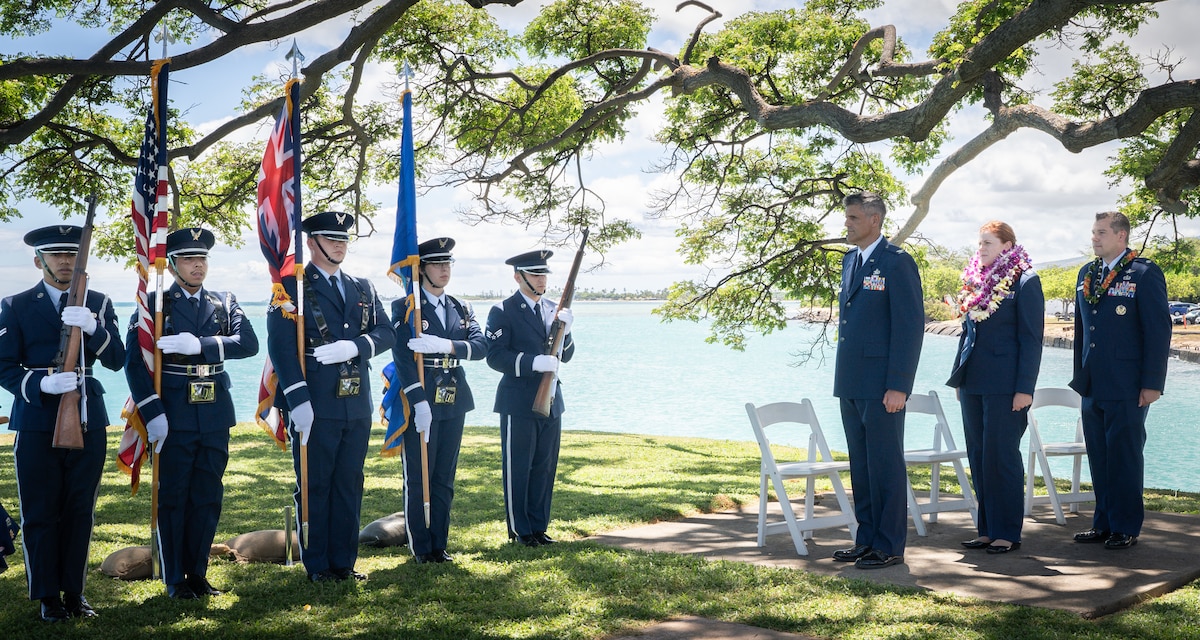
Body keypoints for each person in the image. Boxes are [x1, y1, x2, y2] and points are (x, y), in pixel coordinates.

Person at [124, 227, 260, 598]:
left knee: (207, 494)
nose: (197, 265)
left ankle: (197, 572)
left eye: (202, 258)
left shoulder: (224, 301)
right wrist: (152, 412)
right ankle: (174, 578)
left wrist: (200, 344)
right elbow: (135, 364)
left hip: (214, 412)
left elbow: (248, 343)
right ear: (172, 265)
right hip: (173, 412)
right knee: (173, 496)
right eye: (188, 259)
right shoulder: (154, 304)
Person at [0, 225, 125, 621]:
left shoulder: (98, 302)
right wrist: (40, 384)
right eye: (56, 254)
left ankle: (74, 593)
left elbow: (118, 359)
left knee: (79, 510)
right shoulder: (16, 305)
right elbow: (3, 366)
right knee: (39, 511)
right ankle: (47, 598)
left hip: (86, 416)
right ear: (39, 261)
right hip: (37, 419)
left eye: (72, 254)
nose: (66, 261)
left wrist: (93, 327)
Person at [267, 211, 396, 581]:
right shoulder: (290, 287)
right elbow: (281, 347)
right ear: (311, 243)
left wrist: (356, 346)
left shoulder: (363, 287)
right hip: (315, 400)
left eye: (343, 239)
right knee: (315, 483)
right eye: (331, 238)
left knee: (349, 483)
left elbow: (386, 332)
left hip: (355, 400)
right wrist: (298, 399)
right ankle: (319, 564)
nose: (339, 245)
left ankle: (344, 562)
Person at [831, 192, 923, 570]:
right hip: (851, 381)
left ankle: (889, 545)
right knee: (862, 465)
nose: (847, 223)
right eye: (847, 217)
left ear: (874, 220)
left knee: (885, 466)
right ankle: (866, 539)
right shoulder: (850, 260)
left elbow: (909, 327)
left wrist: (899, 385)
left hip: (883, 386)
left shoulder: (897, 262)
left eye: (853, 217)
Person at [1069, 211, 1170, 550]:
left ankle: (1125, 526)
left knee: (1124, 456)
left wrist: (1152, 383)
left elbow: (1158, 331)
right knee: (1099, 455)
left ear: (1121, 235)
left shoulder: (1143, 273)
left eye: (1101, 232)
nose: (1094, 238)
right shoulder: (1087, 273)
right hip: (1093, 382)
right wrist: (1080, 377)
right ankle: (1103, 523)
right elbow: (1082, 333)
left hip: (1128, 384)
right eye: (1093, 232)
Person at [947, 221, 1043, 555]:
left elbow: (1031, 340)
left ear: (1007, 246)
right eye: (979, 243)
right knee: (979, 456)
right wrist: (959, 376)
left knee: (1001, 457)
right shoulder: (976, 280)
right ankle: (987, 530)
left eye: (987, 243)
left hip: (1006, 386)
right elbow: (966, 333)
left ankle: (1007, 532)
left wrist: (1025, 389)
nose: (981, 249)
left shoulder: (1025, 280)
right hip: (973, 381)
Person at [391, 237, 487, 564]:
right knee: (420, 476)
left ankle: (439, 544)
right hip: (422, 398)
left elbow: (481, 348)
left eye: (448, 263)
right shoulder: (406, 307)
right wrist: (418, 401)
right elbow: (403, 360)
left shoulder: (462, 307)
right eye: (437, 264)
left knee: (444, 476)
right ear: (422, 270)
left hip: (454, 397)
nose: (444, 270)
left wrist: (446, 345)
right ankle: (421, 546)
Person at [485, 249, 575, 547]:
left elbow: (567, 355)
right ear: (518, 277)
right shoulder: (503, 310)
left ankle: (539, 526)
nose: (541, 280)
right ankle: (520, 530)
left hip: (551, 398)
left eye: (543, 274)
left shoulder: (552, 309)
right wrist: (532, 362)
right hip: (519, 399)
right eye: (535, 274)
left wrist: (567, 332)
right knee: (519, 467)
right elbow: (495, 356)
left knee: (544, 466)